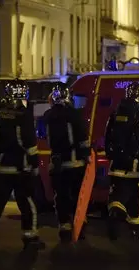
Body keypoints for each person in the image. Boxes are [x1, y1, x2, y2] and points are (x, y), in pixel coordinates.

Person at [0, 79, 45, 251]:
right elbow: (30, 144)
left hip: (1, 168)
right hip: (21, 169)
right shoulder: (24, 116)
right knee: (28, 203)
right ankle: (30, 238)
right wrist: (35, 166)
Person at [104, 82, 139, 241]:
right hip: (134, 163)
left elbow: (107, 135)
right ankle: (135, 226)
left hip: (115, 163)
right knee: (137, 193)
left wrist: (111, 154)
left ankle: (114, 213)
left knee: (117, 191)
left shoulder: (116, 111)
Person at [42, 84, 90, 243]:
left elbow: (42, 135)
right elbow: (82, 139)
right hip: (75, 163)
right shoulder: (74, 114)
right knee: (77, 197)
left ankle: (64, 227)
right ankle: (79, 227)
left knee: (60, 197)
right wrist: (87, 155)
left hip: (56, 164)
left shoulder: (48, 115)